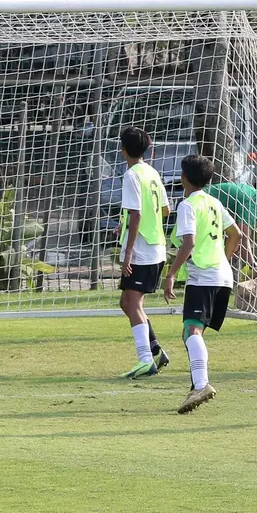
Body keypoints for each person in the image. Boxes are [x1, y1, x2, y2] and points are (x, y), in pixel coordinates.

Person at [163, 155, 241, 414]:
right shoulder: (214, 202)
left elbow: (189, 243)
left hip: (204, 276)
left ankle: (201, 385)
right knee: (191, 333)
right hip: (223, 276)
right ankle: (196, 386)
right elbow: (236, 234)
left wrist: (171, 273)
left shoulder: (188, 205)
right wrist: (223, 260)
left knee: (192, 332)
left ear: (184, 178)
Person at [116, 127, 171, 379]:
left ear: (123, 149)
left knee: (131, 303)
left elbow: (137, 213)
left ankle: (146, 360)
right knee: (128, 303)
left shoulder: (131, 175)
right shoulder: (151, 172)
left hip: (142, 249)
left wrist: (129, 253)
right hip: (156, 245)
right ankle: (155, 349)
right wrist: (126, 223)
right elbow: (165, 210)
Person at [203, 180, 257, 275]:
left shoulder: (252, 194)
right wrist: (254, 266)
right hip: (202, 206)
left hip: (203, 203)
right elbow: (243, 238)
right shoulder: (253, 204)